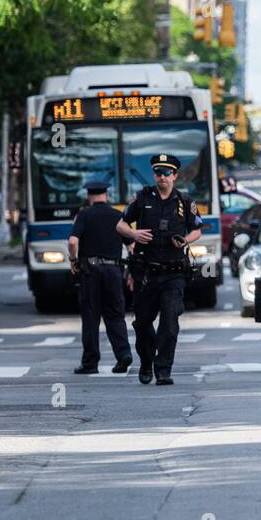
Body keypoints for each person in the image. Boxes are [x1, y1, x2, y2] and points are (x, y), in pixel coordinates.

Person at [117, 153, 203, 386]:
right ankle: (146, 362)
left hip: (174, 273)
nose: (161, 177)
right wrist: (134, 233)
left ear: (175, 176)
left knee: (170, 322)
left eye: (166, 173)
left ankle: (163, 369)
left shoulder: (185, 202)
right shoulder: (142, 198)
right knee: (142, 324)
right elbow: (120, 224)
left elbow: (197, 230)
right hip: (146, 273)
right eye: (157, 173)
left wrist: (185, 240)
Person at [67, 178, 132, 376]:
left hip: (91, 272)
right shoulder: (117, 216)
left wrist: (73, 260)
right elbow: (132, 246)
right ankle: (123, 355)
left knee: (91, 317)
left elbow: (72, 241)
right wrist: (133, 271)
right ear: (107, 195)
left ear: (89, 196)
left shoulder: (84, 215)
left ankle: (90, 362)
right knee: (115, 315)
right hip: (113, 271)